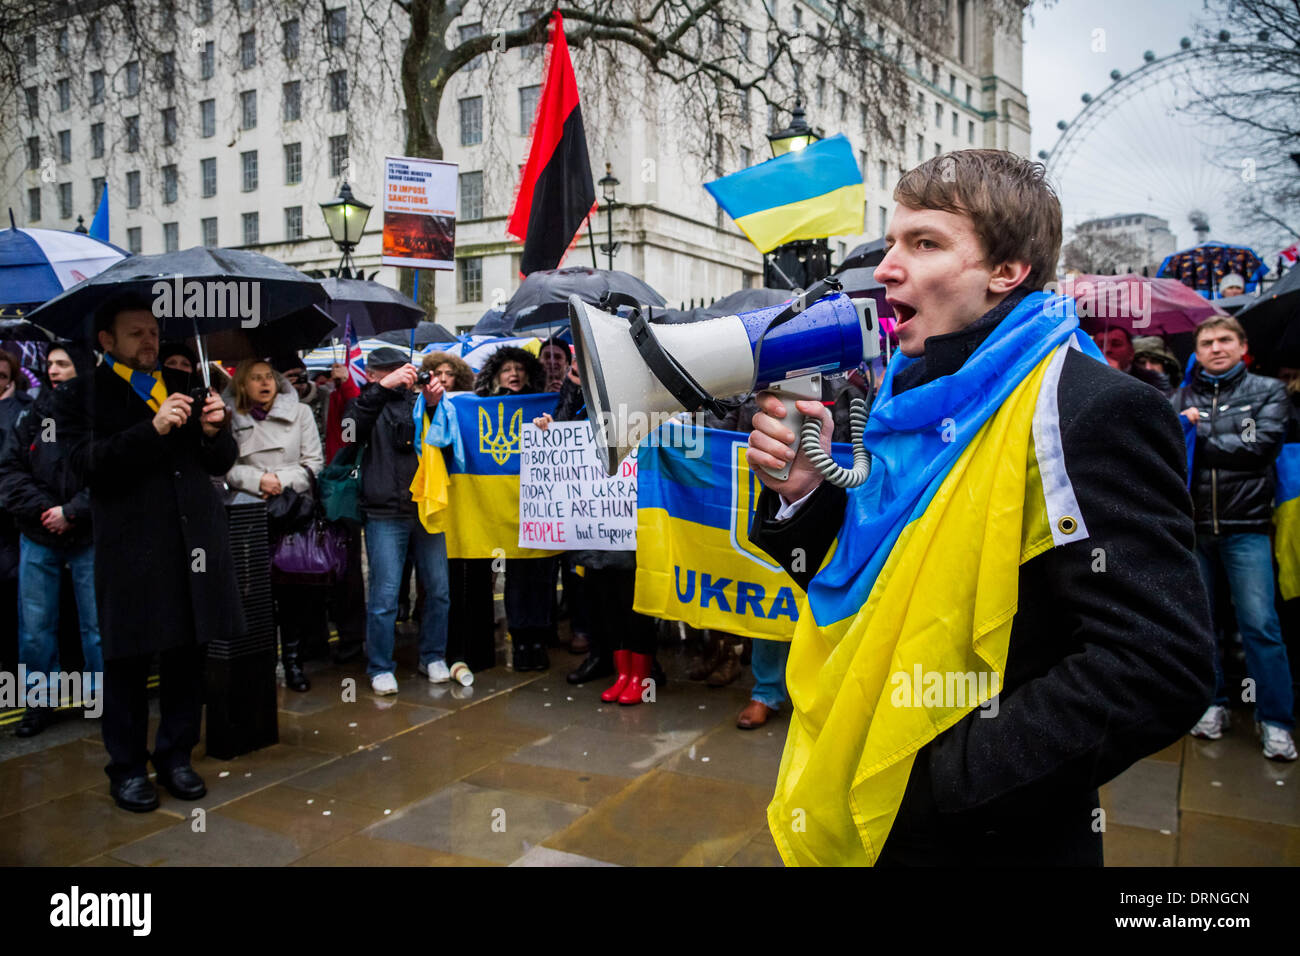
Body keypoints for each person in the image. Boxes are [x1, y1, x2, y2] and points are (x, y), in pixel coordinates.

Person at [745, 149, 1215, 865]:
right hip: (863, 776)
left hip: (984, 835)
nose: (887, 268)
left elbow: (1158, 666)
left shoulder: (1090, 409)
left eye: (925, 242)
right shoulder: (894, 402)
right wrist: (802, 496)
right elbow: (845, 580)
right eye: (893, 240)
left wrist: (950, 781)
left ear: (1007, 270)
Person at [67, 292, 243, 813]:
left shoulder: (188, 383)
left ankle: (176, 756)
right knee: (127, 663)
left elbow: (219, 462)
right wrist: (154, 428)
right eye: (136, 333)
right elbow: (85, 465)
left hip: (194, 546)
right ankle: (126, 768)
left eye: (152, 331)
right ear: (106, 341)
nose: (149, 341)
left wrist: (215, 431)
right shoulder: (87, 394)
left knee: (186, 657)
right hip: (133, 552)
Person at [1174, 316, 1297, 760]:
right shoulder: (1181, 396)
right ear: (1197, 350)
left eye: (1226, 339)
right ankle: (1213, 703)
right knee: (1203, 625)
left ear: (1242, 345)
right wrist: (1182, 428)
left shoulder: (1267, 392)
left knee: (1260, 625)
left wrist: (1196, 433)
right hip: (1195, 530)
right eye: (1207, 342)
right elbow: (1166, 447)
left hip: (1246, 530)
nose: (1216, 348)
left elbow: (1258, 448)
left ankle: (1276, 719)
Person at [0, 343, 102, 736]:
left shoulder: (100, 418)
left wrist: (73, 511)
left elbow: (110, 473)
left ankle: (102, 696)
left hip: (87, 532)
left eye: (63, 364)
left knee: (96, 625)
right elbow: (9, 471)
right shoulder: (31, 415)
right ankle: (38, 702)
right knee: (35, 627)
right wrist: (47, 510)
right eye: (50, 364)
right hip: (37, 534)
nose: (54, 370)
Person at [343, 346, 451, 694]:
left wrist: (433, 405)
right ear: (372, 374)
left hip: (425, 508)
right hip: (383, 512)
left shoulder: (417, 403)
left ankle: (433, 655)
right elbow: (348, 433)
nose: (401, 378)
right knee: (384, 596)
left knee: (438, 590)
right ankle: (379, 666)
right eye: (388, 372)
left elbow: (445, 445)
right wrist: (381, 389)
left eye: (402, 371)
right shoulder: (363, 404)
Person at [225, 359, 325, 692]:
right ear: (242, 385)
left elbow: (314, 463)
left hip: (291, 510)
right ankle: (261, 665)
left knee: (292, 590)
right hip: (247, 513)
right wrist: (259, 480)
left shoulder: (301, 413)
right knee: (253, 593)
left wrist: (278, 480)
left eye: (269, 376)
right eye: (255, 378)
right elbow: (224, 466)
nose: (265, 383)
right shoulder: (227, 416)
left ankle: (294, 663)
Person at [475, 346, 555, 670]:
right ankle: (521, 641)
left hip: (541, 505)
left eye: (520, 369)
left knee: (542, 576)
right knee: (517, 577)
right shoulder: (484, 408)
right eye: (507, 369)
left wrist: (551, 423)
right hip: (505, 507)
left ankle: (539, 639)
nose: (514, 374)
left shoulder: (544, 406)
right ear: (495, 376)